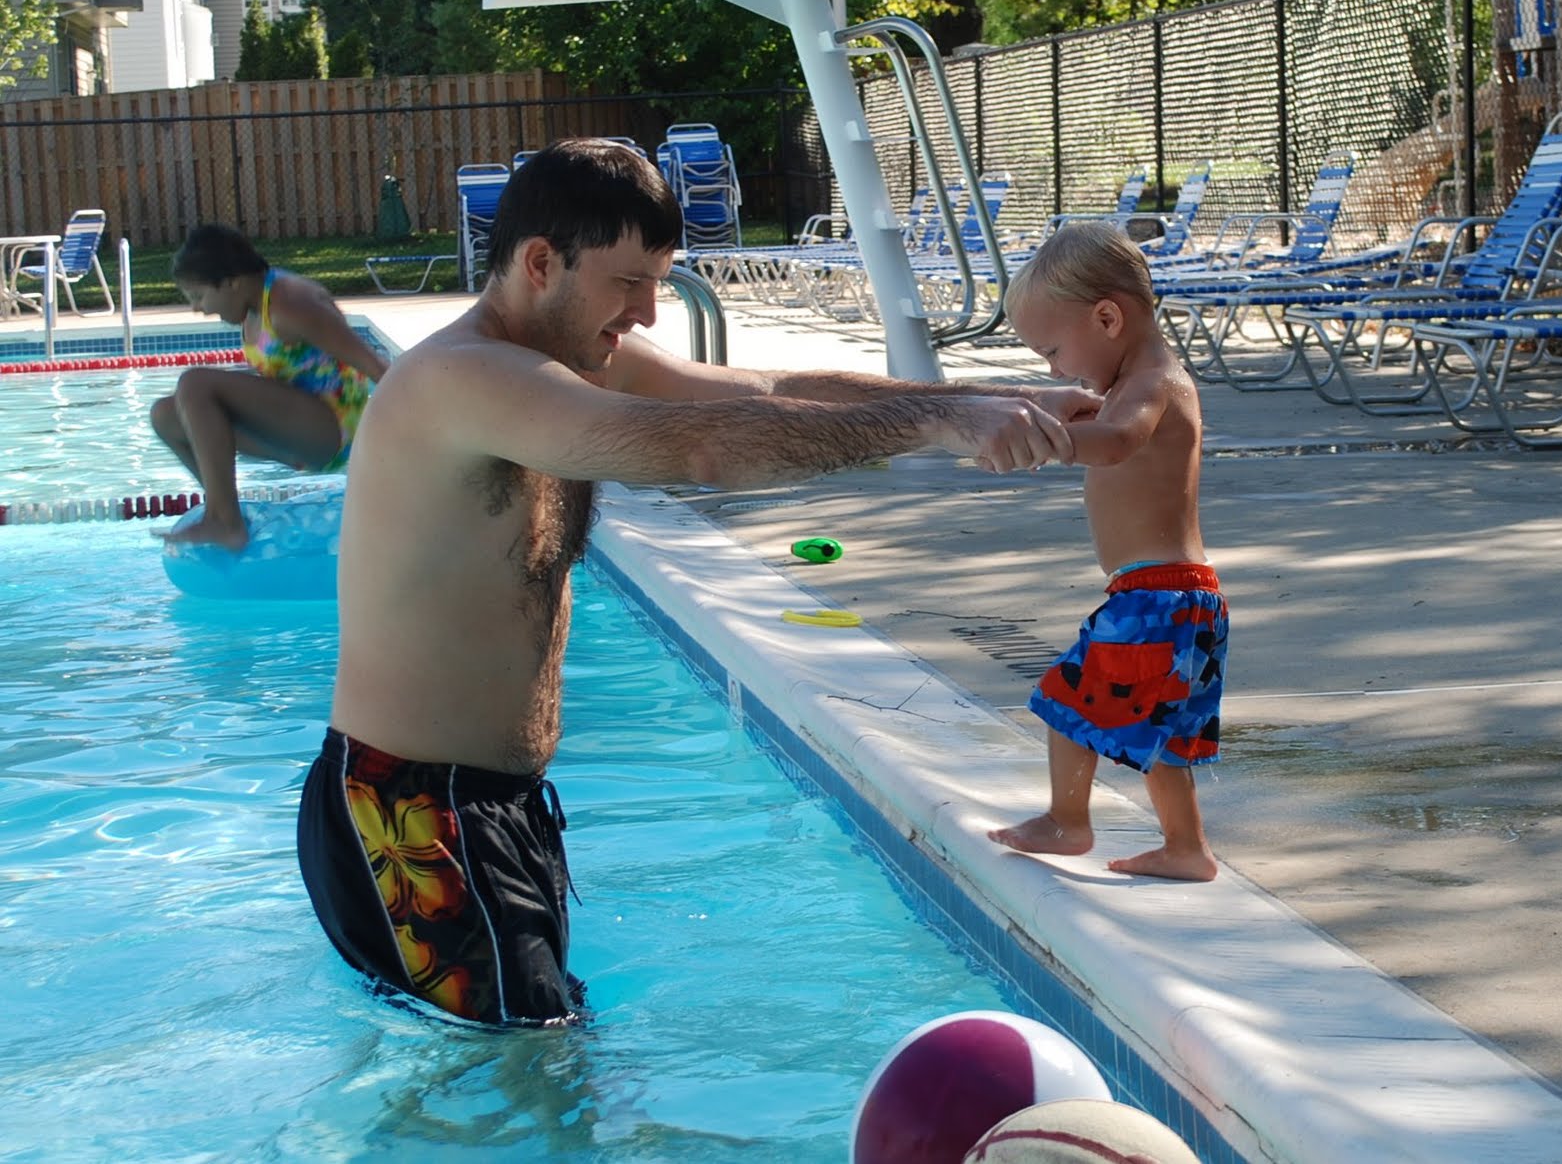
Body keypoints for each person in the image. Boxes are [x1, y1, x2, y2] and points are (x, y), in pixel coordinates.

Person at [296, 137, 1101, 1026]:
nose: (647, 313)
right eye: (628, 283)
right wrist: (944, 422)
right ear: (539, 263)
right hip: (410, 814)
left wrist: (985, 402)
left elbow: (764, 386)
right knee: (529, 1079)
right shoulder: (461, 380)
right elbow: (706, 447)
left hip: (491, 807)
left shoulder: (572, 360)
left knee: (526, 1071)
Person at [986, 221, 1228, 883]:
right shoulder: (1139, 381)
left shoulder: (1154, 384)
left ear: (1106, 317)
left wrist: (1053, 443)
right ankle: (1186, 848)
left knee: (1068, 698)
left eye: (1054, 350)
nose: (1054, 368)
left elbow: (1119, 441)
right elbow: (1109, 428)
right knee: (1170, 738)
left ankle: (1069, 820)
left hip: (1158, 597)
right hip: (1183, 597)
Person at [151, 224, 389, 549]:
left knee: (194, 383)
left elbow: (373, 364)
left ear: (232, 282)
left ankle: (226, 523)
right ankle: (220, 510)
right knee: (164, 415)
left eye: (199, 296)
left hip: (334, 430)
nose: (198, 309)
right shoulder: (251, 309)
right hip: (295, 435)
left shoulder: (289, 303)